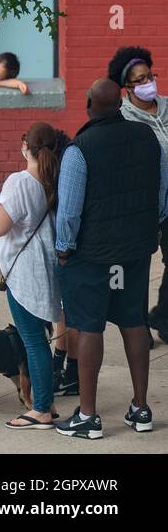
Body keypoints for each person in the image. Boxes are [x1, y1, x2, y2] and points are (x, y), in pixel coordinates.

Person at [53, 78, 168, 439]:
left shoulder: (79, 149)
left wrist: (63, 248)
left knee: (89, 326)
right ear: (120, 102)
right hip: (134, 251)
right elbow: (163, 192)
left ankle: (88, 416)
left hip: (92, 254)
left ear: (89, 105)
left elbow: (68, 213)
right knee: (133, 322)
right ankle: (140, 409)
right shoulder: (147, 137)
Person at [0, 121, 68, 429]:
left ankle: (42, 409)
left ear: (27, 148)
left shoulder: (19, 182)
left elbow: (0, 226)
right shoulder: (52, 180)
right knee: (38, 340)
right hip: (43, 271)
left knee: (33, 341)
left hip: (22, 275)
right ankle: (47, 402)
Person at [107, 46, 168, 340]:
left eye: (150, 76)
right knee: (138, 269)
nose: (148, 84)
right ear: (127, 88)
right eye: (140, 80)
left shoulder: (167, 106)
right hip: (142, 205)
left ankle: (164, 316)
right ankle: (139, 327)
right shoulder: (124, 120)